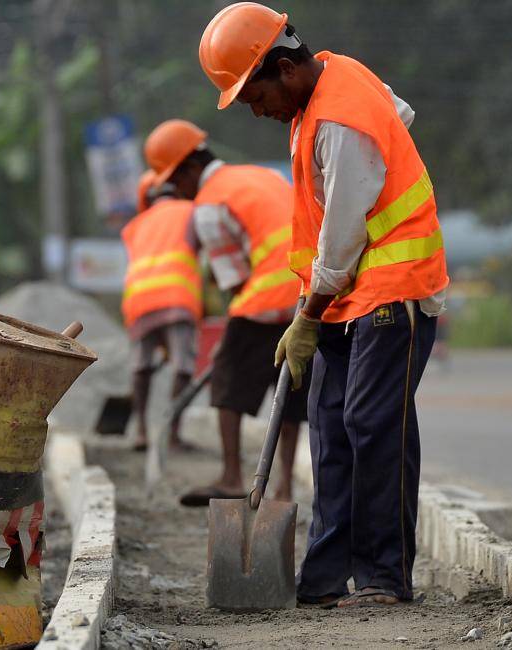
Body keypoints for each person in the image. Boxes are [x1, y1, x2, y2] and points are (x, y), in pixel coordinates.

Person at [199, 3, 449, 608]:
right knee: (331, 427)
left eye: (255, 97)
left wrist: (306, 315)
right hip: (345, 293)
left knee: (371, 423)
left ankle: (384, 576)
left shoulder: (339, 117)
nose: (258, 112)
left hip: (392, 287)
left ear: (283, 68)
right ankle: (324, 577)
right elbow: (402, 115)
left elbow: (341, 230)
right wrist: (314, 308)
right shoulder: (331, 85)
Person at [142, 118, 308, 506]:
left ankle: (233, 476)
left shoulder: (210, 205)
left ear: (190, 169)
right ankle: (283, 487)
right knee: (290, 389)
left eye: (175, 183)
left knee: (227, 384)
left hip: (267, 298)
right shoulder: (258, 174)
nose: (179, 193)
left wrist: (228, 343)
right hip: (309, 295)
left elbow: (235, 280)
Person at [121, 171, 202, 452]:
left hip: (139, 302)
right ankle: (172, 434)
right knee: (183, 365)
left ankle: (141, 431)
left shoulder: (134, 225)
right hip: (177, 297)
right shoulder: (190, 211)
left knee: (141, 365)